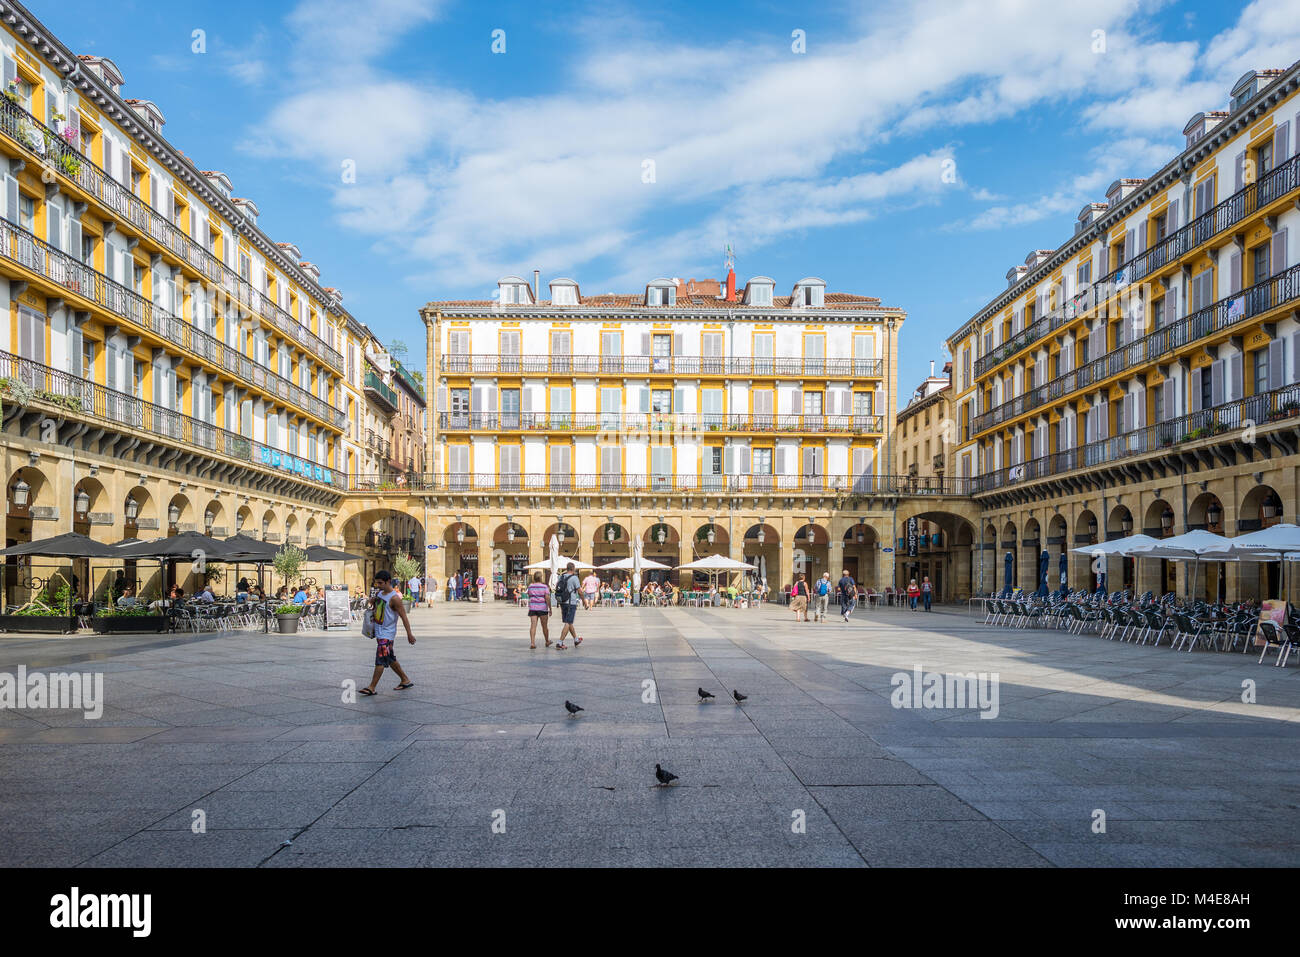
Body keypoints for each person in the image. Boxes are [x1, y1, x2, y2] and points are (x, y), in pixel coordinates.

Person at [359, 570, 416, 696]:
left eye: (380, 583)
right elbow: (376, 607)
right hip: (379, 631)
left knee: (380, 658)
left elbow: (404, 617)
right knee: (389, 658)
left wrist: (409, 634)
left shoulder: (395, 598)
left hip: (387, 634)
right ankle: (405, 680)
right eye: (376, 583)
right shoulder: (380, 594)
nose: (378, 585)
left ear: (388, 581)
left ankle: (371, 687)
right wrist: (372, 601)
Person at [554, 561, 583, 649]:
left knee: (568, 621)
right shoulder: (574, 578)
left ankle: (576, 639)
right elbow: (580, 591)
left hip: (563, 602)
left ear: (567, 569)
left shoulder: (561, 577)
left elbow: (557, 587)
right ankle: (560, 642)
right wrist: (585, 601)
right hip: (571, 602)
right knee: (568, 622)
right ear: (573, 569)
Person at [526, 571, 552, 649]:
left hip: (533, 608)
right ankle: (547, 641)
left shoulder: (530, 586)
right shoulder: (544, 587)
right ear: (541, 577)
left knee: (533, 625)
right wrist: (550, 608)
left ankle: (532, 643)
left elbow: (529, 595)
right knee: (544, 626)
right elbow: (547, 598)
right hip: (542, 608)